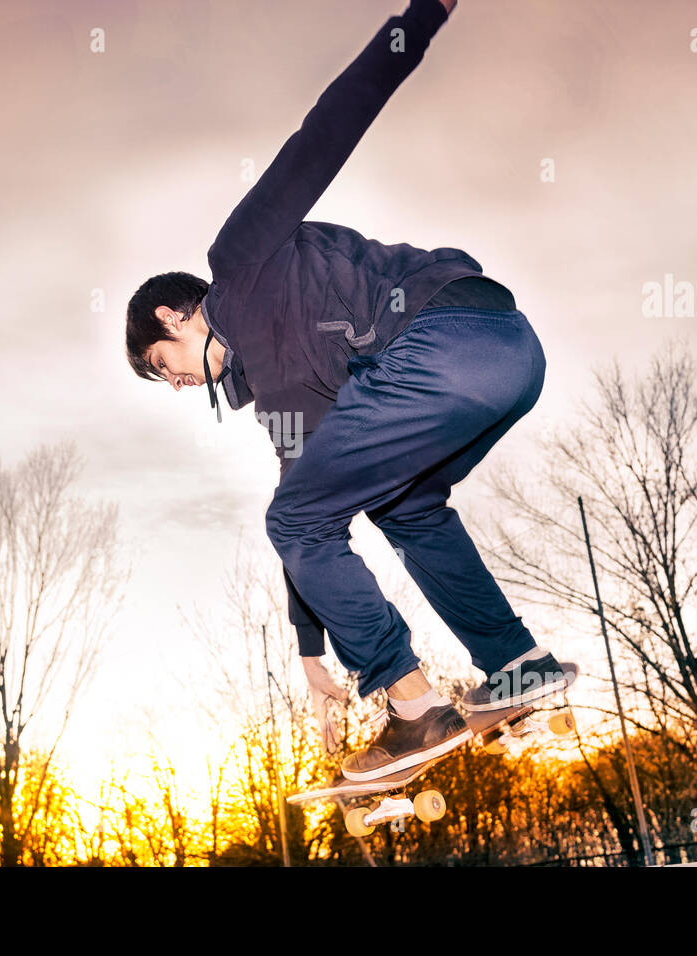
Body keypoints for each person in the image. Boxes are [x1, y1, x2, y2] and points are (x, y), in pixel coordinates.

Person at [125, 0, 576, 782]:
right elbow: (304, 506)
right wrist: (310, 651)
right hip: (509, 356)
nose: (175, 383)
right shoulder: (283, 397)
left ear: (173, 314)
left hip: (444, 339)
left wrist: (420, 18)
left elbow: (326, 134)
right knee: (404, 508)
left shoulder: (241, 259)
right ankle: (518, 661)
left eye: (163, 363)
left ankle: (411, 706)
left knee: (302, 516)